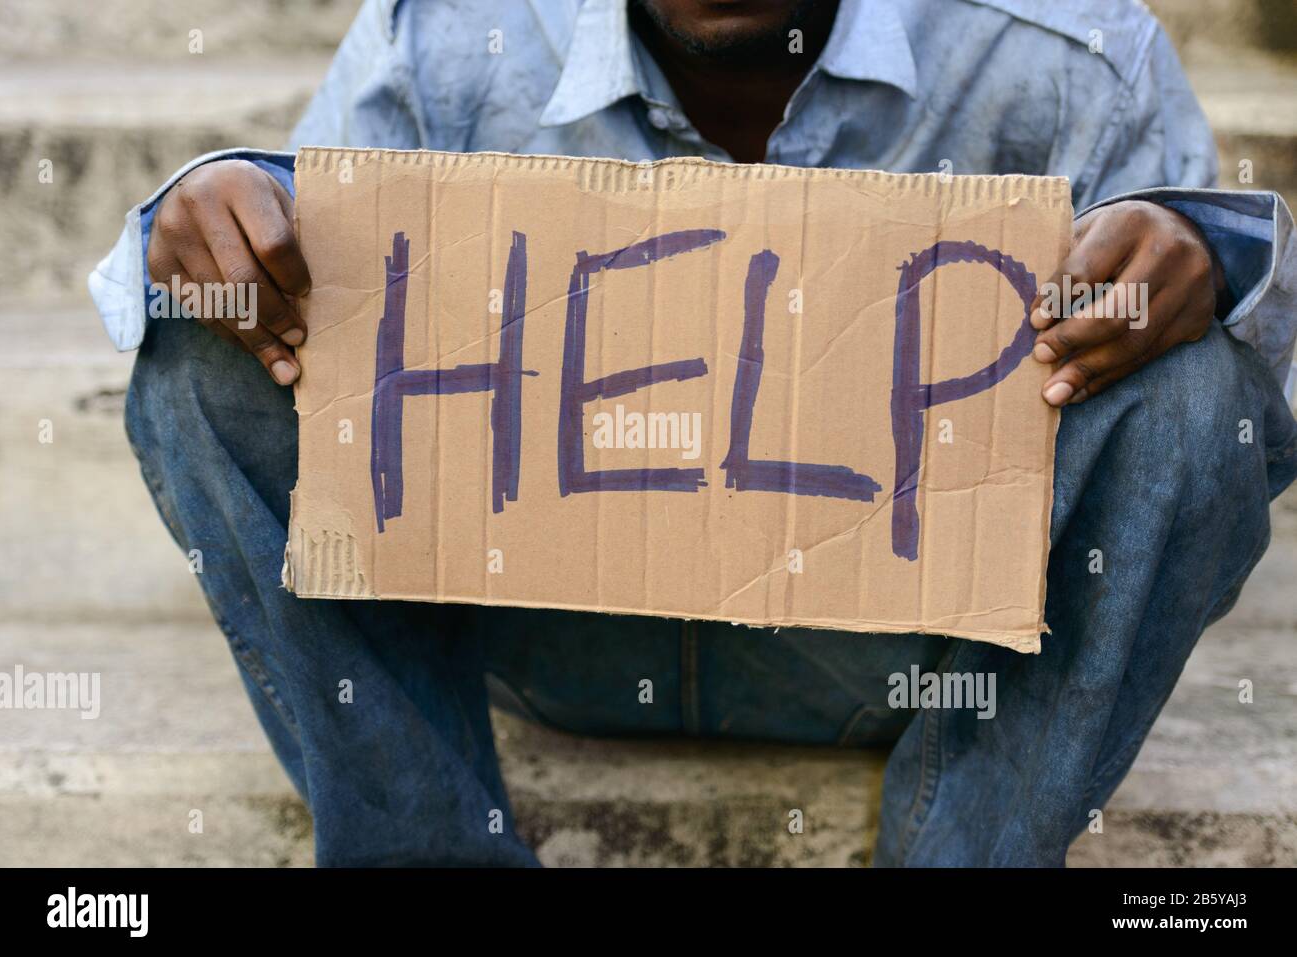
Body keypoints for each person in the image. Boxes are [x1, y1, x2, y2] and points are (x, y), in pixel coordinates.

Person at [89, 0, 1297, 866]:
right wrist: (218, 214)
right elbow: (272, 266)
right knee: (203, 348)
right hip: (538, 632)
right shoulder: (444, 39)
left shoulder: (1071, 58)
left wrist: (1200, 250)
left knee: (1201, 398)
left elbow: (1247, 386)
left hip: (905, 654)